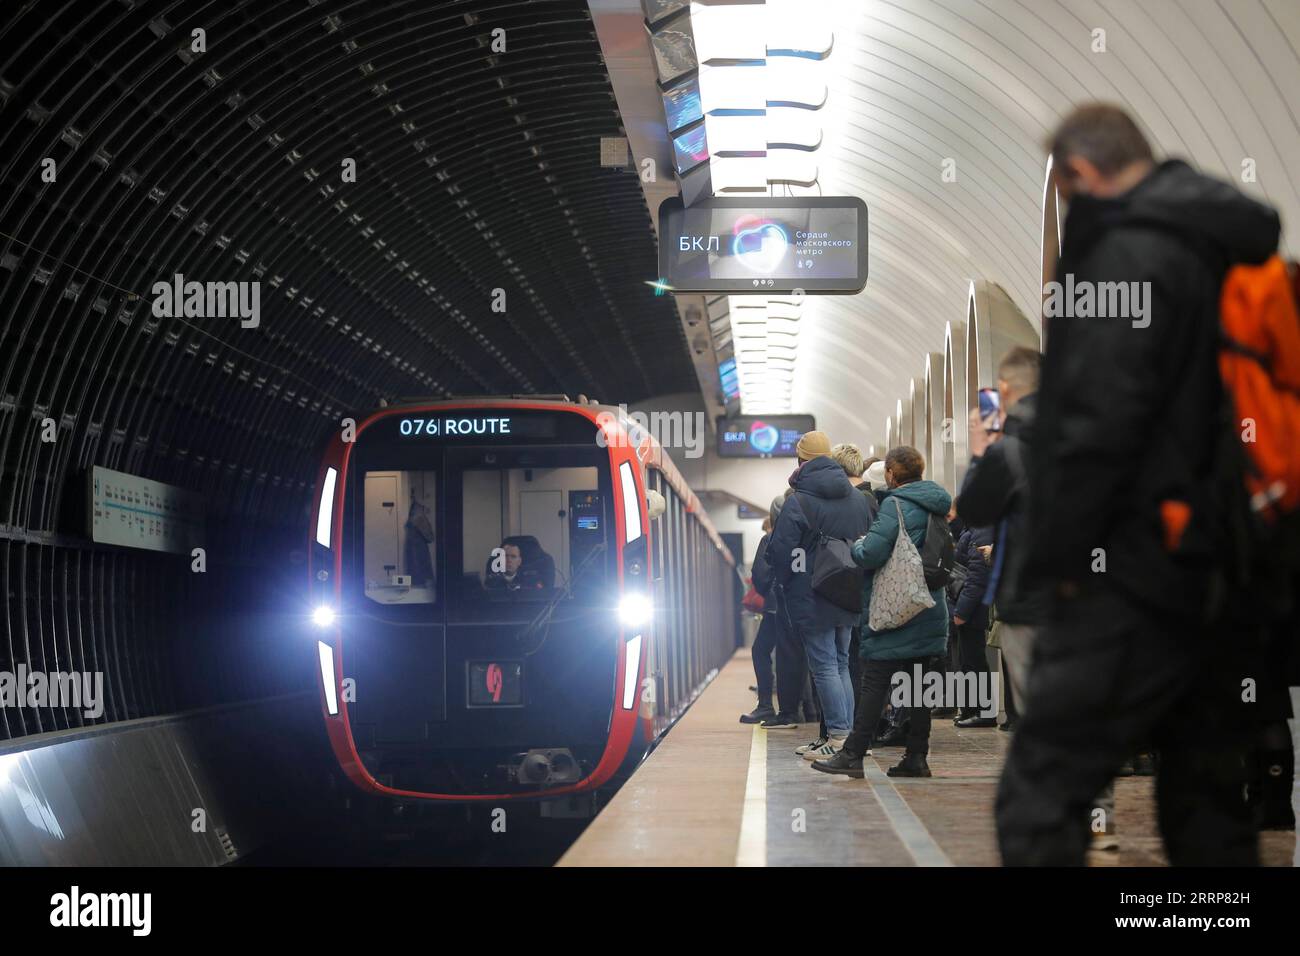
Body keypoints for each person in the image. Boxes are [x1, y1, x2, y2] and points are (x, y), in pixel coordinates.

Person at [998, 103, 1281, 866]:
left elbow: (1097, 427)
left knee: (1040, 791)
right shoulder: (1223, 242)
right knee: (1211, 801)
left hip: (1134, 566)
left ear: (1081, 173)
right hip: (1227, 562)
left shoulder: (1126, 257)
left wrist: (1057, 569)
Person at [813, 446, 951, 778]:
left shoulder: (896, 504)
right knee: (918, 684)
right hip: (929, 605)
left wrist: (859, 544)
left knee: (874, 680)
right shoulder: (937, 505)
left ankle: (852, 753)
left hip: (896, 609)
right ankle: (917, 756)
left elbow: (871, 553)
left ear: (890, 473)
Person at [767, 431, 872, 756]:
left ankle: (839, 737)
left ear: (801, 461)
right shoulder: (858, 499)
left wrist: (786, 582)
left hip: (812, 593)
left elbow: (779, 551)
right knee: (841, 663)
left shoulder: (799, 500)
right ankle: (847, 736)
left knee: (825, 666)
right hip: (849, 589)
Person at [740, 516, 779, 724]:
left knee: (760, 651)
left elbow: (760, 575)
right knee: (797, 656)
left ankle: (765, 705)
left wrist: (767, 594)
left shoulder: (770, 539)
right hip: (802, 606)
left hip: (775, 607)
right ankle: (805, 709)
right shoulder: (807, 533)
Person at [484, 536, 554, 591]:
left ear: (519, 561)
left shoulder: (530, 582)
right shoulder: (492, 581)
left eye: (513, 557)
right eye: (505, 556)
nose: (509, 560)